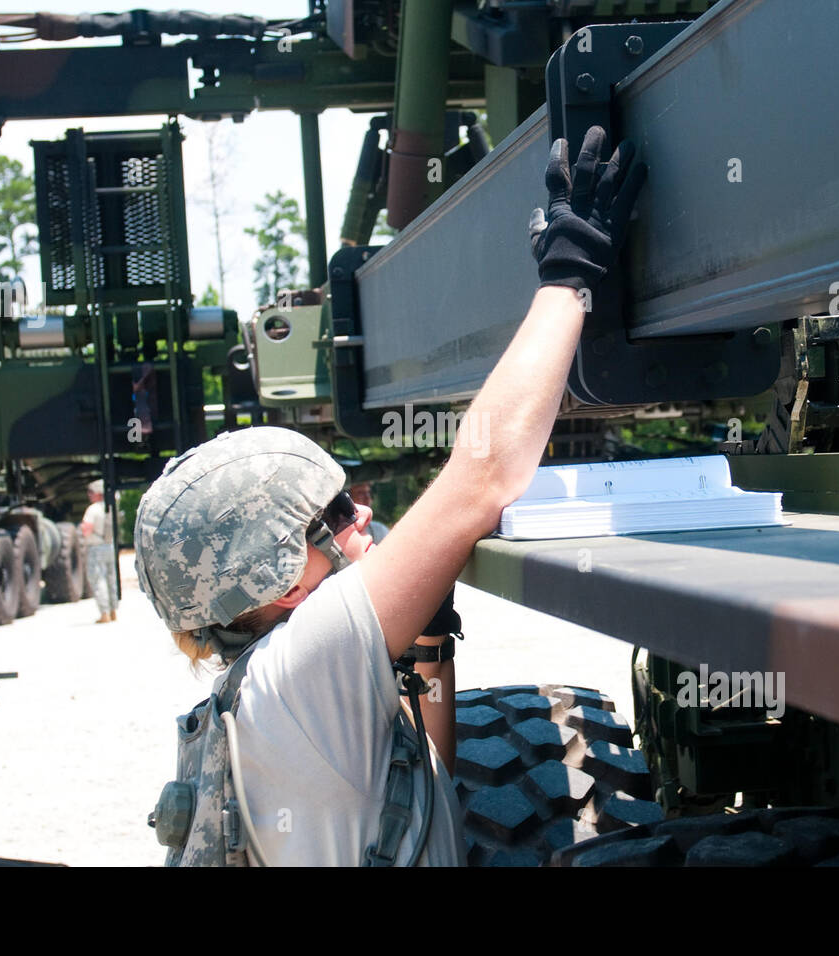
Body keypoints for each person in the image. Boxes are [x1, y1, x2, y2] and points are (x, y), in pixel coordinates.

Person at [135, 126, 644, 866]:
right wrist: (571, 270)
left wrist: (429, 646)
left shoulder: (266, 691)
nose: (362, 514)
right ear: (281, 580)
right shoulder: (303, 667)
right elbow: (485, 475)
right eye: (333, 517)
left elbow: (426, 784)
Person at [81, 479, 119, 624]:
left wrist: (83, 531)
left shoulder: (93, 509)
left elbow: (87, 529)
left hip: (96, 548)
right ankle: (113, 611)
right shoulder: (110, 507)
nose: (89, 495)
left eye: (91, 492)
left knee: (98, 580)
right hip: (109, 546)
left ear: (97, 493)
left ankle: (104, 613)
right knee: (111, 578)